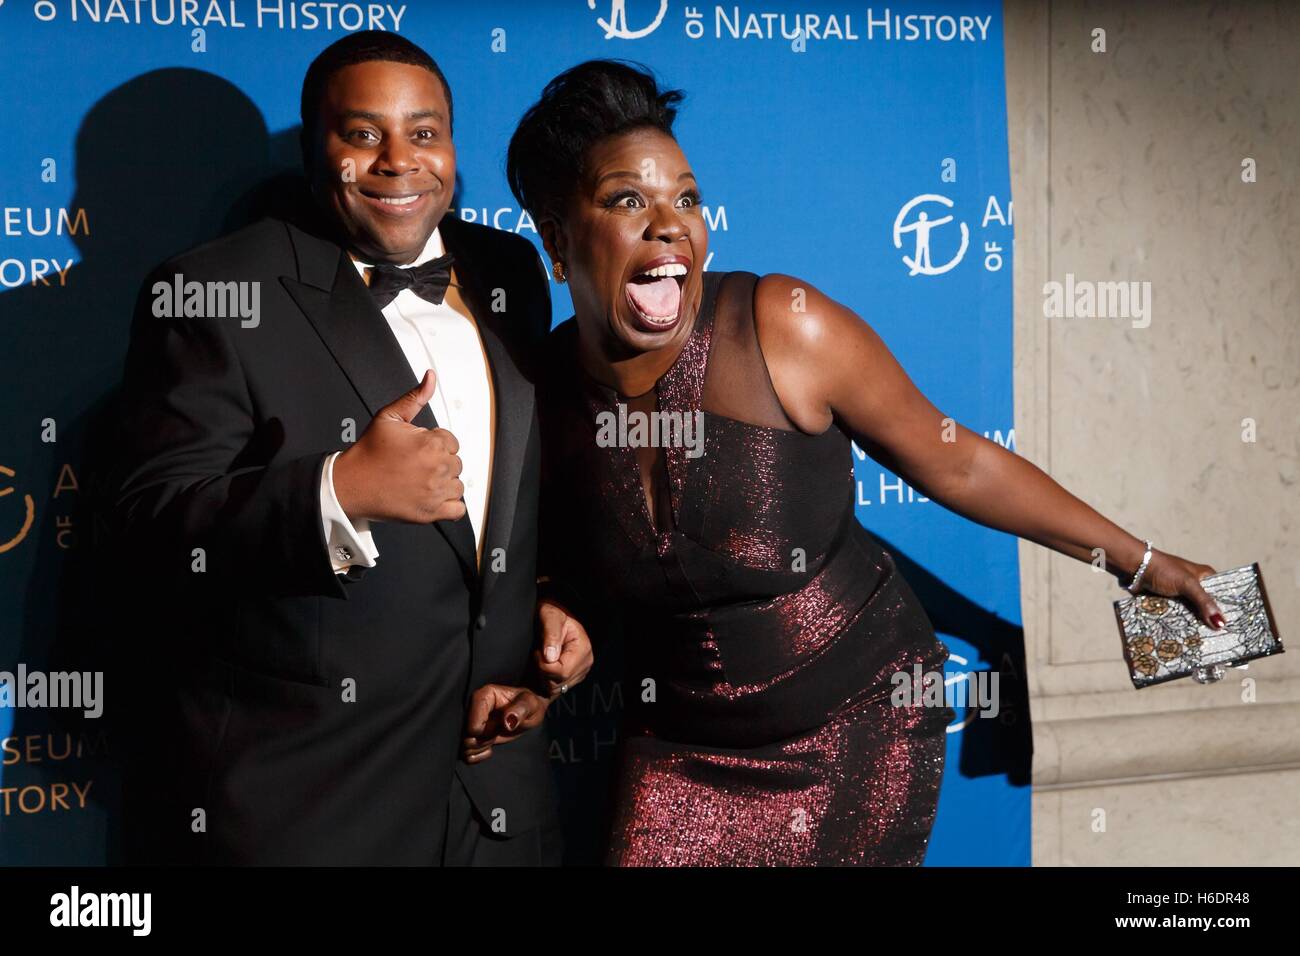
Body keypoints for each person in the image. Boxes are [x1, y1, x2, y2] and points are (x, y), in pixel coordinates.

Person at [502, 60, 1224, 866]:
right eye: (627, 200)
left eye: (688, 197)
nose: (670, 224)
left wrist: (1140, 562)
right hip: (679, 744)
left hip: (852, 720)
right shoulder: (542, 390)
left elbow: (957, 464)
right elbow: (565, 560)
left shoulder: (780, 326)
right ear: (559, 240)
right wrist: (556, 611)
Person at [108, 31, 591, 866]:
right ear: (314, 149)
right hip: (312, 807)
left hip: (498, 804)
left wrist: (541, 614)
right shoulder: (217, 292)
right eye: (363, 135)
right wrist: (339, 491)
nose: (399, 161)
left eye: (425, 132)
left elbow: (508, 512)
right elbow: (150, 532)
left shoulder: (510, 273)